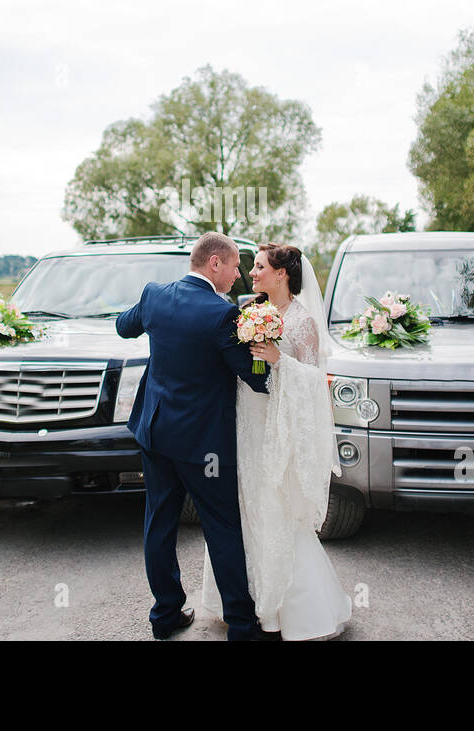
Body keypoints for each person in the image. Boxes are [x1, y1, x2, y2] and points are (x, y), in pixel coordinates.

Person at [115, 231, 277, 641]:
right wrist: (265, 351)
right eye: (236, 264)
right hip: (202, 445)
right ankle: (242, 626)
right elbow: (254, 377)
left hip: (155, 434)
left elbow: (123, 327)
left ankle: (165, 615)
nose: (240, 273)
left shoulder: (154, 295)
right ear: (215, 263)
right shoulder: (221, 315)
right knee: (221, 527)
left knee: (159, 524)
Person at [200, 242, 353, 640]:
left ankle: (287, 608)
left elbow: (314, 384)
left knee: (275, 506)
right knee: (245, 506)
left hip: (279, 428)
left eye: (260, 267)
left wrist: (278, 361)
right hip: (244, 421)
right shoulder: (249, 311)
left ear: (281, 273)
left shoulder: (302, 322)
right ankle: (244, 601)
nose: (251, 273)